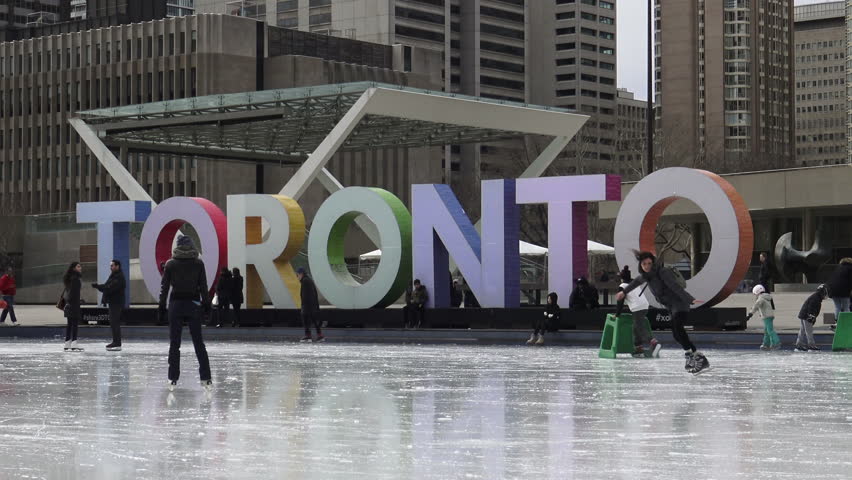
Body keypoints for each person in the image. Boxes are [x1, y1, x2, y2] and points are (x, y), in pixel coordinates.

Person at [617, 251, 709, 374]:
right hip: (671, 307)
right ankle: (698, 357)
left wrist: (690, 299)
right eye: (644, 264)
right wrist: (624, 292)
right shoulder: (646, 276)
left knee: (678, 328)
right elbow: (634, 283)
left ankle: (693, 357)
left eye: (649, 263)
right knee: (676, 334)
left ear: (653, 263)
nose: (647, 266)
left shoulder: (662, 272)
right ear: (641, 265)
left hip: (680, 303)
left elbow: (675, 286)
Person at [159, 235, 213, 391]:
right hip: (193, 305)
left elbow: (165, 288)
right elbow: (203, 286)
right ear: (191, 246)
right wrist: (207, 305)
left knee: (174, 344)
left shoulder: (170, 264)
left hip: (175, 305)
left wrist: (161, 306)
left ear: (177, 246)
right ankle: (206, 378)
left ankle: (172, 378)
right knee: (198, 343)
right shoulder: (198, 264)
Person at [616, 280, 661, 358]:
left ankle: (653, 342)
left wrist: (617, 314)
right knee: (636, 328)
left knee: (639, 327)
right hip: (644, 305)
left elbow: (620, 301)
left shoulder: (622, 286)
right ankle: (638, 349)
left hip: (637, 307)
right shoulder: (634, 284)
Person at [91, 259, 126, 351]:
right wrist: (99, 286)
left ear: (117, 266)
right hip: (113, 302)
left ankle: (117, 342)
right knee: (113, 322)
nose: (111, 267)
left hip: (116, 303)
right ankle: (116, 341)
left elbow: (109, 288)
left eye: (112, 265)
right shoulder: (114, 276)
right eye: (110, 266)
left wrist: (98, 286)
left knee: (115, 322)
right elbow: (107, 286)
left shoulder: (119, 277)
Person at [746, 284, 780, 351]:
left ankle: (776, 343)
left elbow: (756, 306)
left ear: (757, 292)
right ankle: (766, 344)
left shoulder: (761, 298)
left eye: (755, 294)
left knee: (770, 330)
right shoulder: (766, 297)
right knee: (766, 331)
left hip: (766, 316)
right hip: (769, 315)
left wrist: (750, 314)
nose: (755, 295)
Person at [795, 284, 826, 353]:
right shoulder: (816, 298)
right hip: (806, 316)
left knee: (802, 330)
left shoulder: (816, 297)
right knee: (809, 331)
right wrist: (811, 316)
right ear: (822, 292)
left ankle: (799, 345)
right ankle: (811, 346)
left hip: (804, 314)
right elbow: (811, 307)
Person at [297, 267, 323, 342]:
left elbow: (305, 294)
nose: (297, 277)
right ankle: (320, 335)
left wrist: (304, 306)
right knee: (314, 320)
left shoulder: (305, 281)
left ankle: (308, 336)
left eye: (297, 275)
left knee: (306, 320)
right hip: (313, 304)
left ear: (301, 274)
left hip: (308, 305)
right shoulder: (308, 280)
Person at [62, 262, 83, 352]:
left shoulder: (69, 278)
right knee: (74, 324)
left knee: (70, 324)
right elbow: (73, 293)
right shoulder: (76, 279)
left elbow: (70, 292)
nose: (80, 268)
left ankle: (67, 343)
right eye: (78, 266)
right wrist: (78, 301)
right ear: (74, 268)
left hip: (69, 304)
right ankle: (74, 343)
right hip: (73, 305)